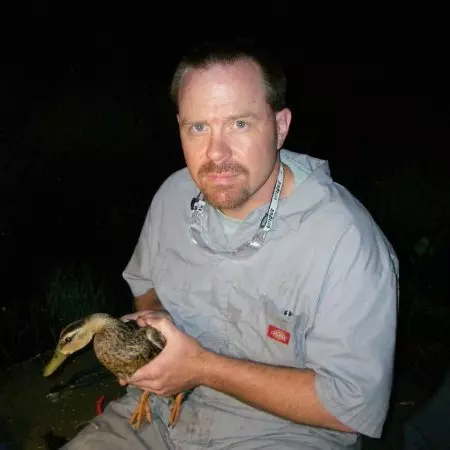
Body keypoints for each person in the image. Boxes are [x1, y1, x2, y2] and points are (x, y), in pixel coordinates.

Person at [62, 38, 399, 449]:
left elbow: (351, 407)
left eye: (240, 123)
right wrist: (152, 333)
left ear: (280, 126)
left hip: (283, 433)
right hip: (153, 415)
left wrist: (201, 368)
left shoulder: (346, 240)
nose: (215, 153)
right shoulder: (173, 196)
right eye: (198, 127)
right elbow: (144, 285)